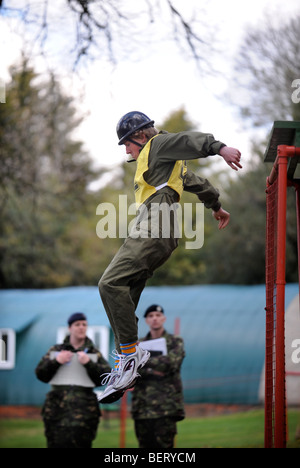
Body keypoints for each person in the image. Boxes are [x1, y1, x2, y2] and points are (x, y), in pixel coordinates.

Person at [98, 111, 242, 404]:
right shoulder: (166, 166)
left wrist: (219, 147)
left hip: (156, 225)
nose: (127, 151)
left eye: (127, 144)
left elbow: (187, 140)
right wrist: (216, 206)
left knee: (109, 284)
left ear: (139, 135)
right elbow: (196, 181)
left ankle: (130, 355)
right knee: (124, 296)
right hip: (158, 230)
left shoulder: (157, 145)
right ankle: (124, 363)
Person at [35, 312, 111, 449]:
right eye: (77, 324)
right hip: (57, 412)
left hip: (84, 413)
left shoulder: (93, 352)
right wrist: (57, 361)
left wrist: (89, 363)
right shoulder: (56, 350)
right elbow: (40, 374)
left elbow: (106, 377)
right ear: (70, 328)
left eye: (84, 324)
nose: (81, 327)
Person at [131, 304, 185, 448]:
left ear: (164, 319)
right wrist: (156, 366)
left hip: (166, 407)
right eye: (151, 316)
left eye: (158, 315)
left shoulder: (175, 342)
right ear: (146, 320)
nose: (155, 319)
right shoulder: (138, 345)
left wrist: (144, 359)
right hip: (142, 408)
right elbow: (132, 370)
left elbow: (171, 364)